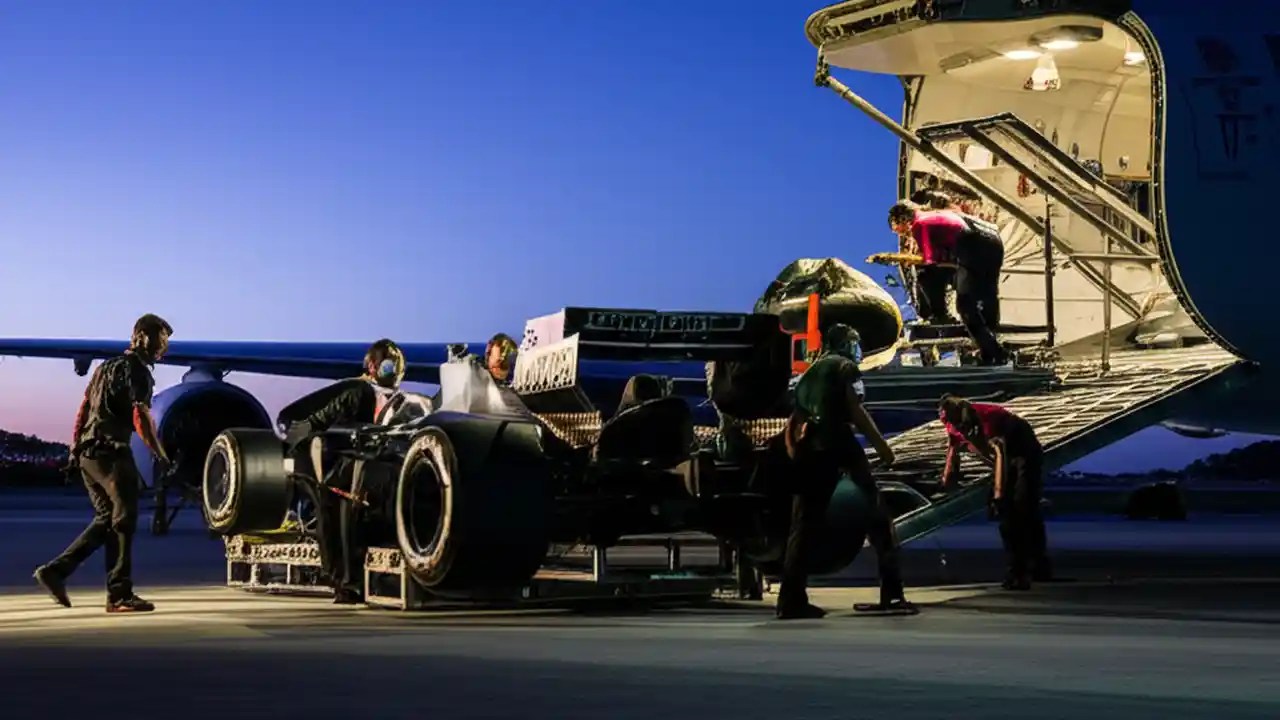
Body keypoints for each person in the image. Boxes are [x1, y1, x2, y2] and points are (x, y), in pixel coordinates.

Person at [33, 314, 174, 613]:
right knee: (124, 520)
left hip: (88, 453)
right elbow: (141, 418)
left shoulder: (105, 367)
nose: (165, 348)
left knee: (108, 519)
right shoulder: (138, 371)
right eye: (162, 340)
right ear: (143, 337)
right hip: (111, 452)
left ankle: (56, 572)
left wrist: (75, 449)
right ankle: (120, 595)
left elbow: (83, 409)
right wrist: (160, 454)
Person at [776, 323, 913, 619]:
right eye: (856, 342)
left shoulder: (806, 375)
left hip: (808, 448)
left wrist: (796, 453)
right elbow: (856, 411)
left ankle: (789, 601)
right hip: (838, 442)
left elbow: (792, 423)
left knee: (802, 527)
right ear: (846, 343)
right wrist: (884, 449)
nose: (859, 348)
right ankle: (892, 593)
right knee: (879, 516)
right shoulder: (844, 367)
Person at [285, 338, 406, 603]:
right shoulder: (358, 391)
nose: (394, 369)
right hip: (345, 467)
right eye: (388, 363)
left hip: (376, 465)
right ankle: (346, 581)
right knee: (343, 516)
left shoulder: (401, 400)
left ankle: (360, 579)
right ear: (373, 366)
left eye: (397, 364)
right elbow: (318, 423)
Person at [939, 394, 1051, 590]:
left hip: (1022, 447)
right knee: (1009, 516)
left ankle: (1030, 569)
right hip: (1003, 454)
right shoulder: (950, 422)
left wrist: (999, 494)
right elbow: (952, 450)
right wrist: (946, 480)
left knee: (1021, 505)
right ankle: (1018, 568)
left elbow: (1000, 456)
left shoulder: (986, 419)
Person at [878, 202, 1008, 365]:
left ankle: (995, 352)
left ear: (903, 220)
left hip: (974, 248)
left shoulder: (920, 224)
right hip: (993, 241)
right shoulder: (935, 215)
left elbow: (930, 262)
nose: (904, 236)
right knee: (987, 297)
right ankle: (990, 349)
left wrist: (899, 259)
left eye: (902, 231)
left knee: (965, 305)